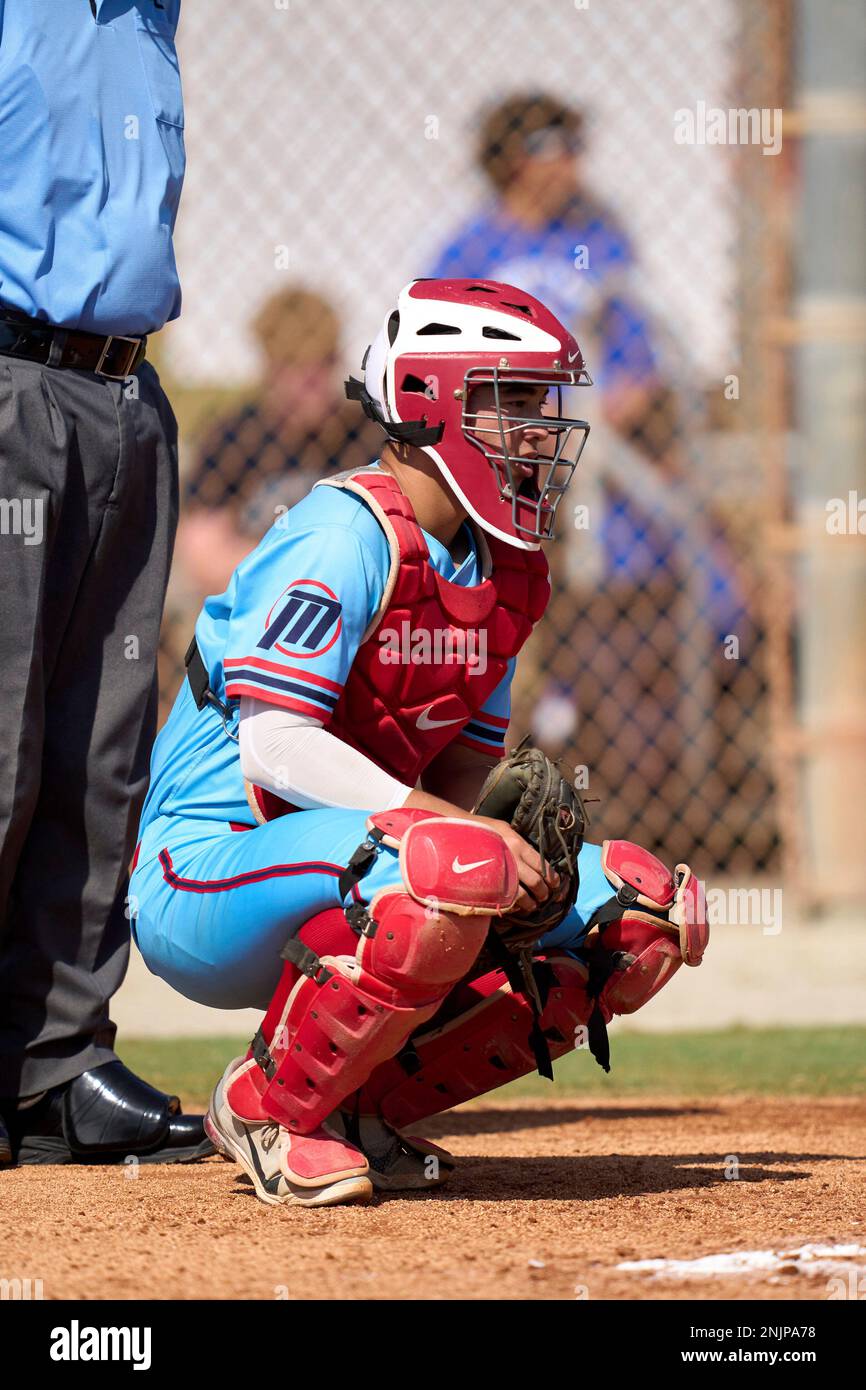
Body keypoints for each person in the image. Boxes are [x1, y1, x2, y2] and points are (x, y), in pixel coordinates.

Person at [127, 279, 707, 1208]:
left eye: (538, 405)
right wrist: (453, 833)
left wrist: (504, 848)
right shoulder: (343, 533)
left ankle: (356, 1105)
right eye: (509, 402)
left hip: (361, 860)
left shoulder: (508, 571)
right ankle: (268, 1107)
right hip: (206, 871)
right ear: (433, 402)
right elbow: (275, 746)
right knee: (448, 862)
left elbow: (457, 771)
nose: (536, 430)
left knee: (641, 916)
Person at [0, 0, 207, 1164]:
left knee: (98, 748)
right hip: (10, 379)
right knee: (2, 736)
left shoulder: (150, 15)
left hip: (127, 399)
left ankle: (56, 1064)